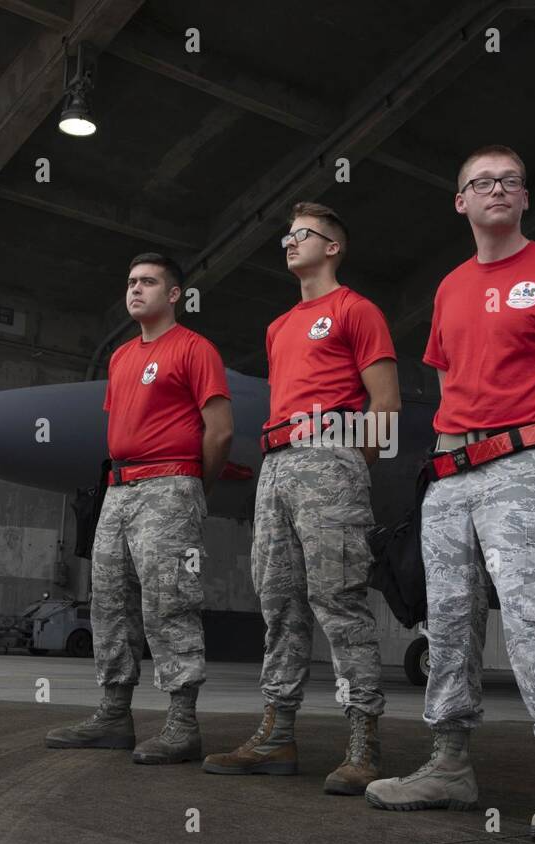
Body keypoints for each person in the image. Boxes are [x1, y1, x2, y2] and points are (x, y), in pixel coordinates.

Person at [365, 146, 535, 844]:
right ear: (462, 202)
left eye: (509, 180)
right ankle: (449, 765)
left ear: (525, 197)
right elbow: (450, 386)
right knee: (446, 621)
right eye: (481, 181)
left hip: (525, 462)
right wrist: (461, 456)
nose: (496, 189)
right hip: (450, 473)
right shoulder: (448, 288)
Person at [202, 202, 401, 795]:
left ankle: (364, 741)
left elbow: (385, 409)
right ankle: (276, 735)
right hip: (277, 464)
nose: (290, 242)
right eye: (287, 235)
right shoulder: (279, 326)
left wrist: (345, 464)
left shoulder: (357, 310)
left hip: (329, 457)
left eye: (303, 234)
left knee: (338, 600)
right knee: (279, 604)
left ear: (333, 247)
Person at [46, 253, 233, 763]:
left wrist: (195, 486)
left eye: (148, 282)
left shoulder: (195, 349)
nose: (135, 290)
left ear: (174, 295)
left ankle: (181, 724)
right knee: (108, 603)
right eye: (130, 282)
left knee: (169, 602)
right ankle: (113, 715)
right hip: (119, 489)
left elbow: (219, 431)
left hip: (170, 484)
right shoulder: (121, 356)